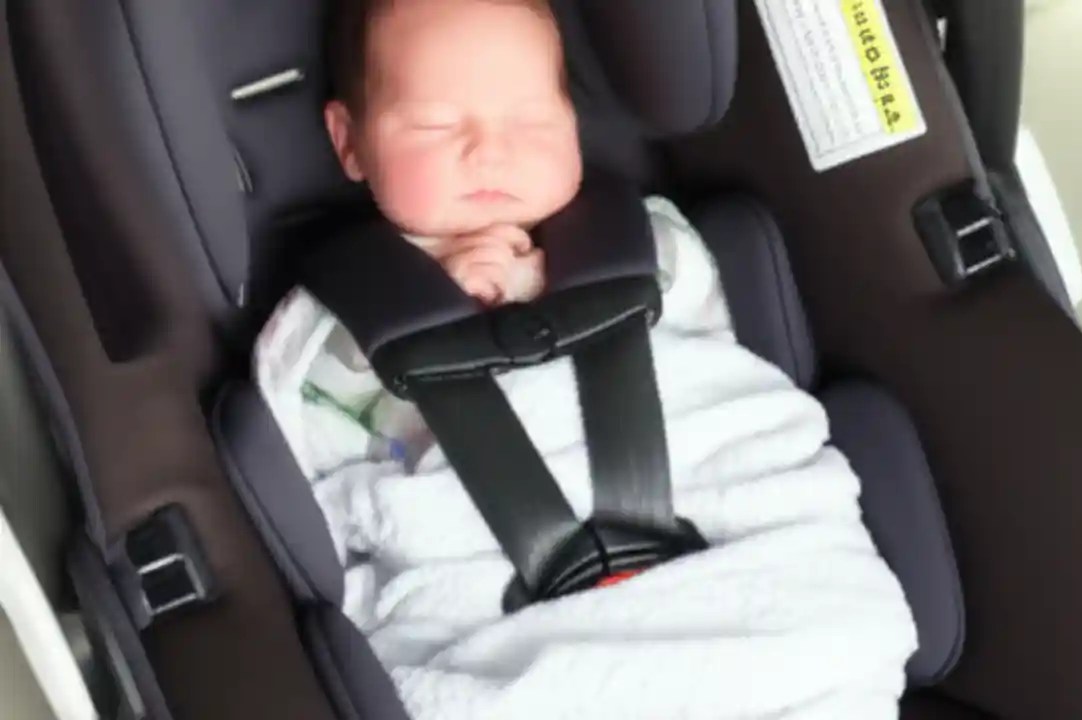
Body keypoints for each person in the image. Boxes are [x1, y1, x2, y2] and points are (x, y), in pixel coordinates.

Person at [254, 0, 917, 716]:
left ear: (572, 121)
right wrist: (447, 312)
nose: (489, 151)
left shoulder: (654, 252)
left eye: (531, 120)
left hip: (747, 567)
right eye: (436, 125)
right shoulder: (335, 327)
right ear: (349, 141)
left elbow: (718, 384)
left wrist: (539, 289)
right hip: (509, 629)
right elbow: (311, 478)